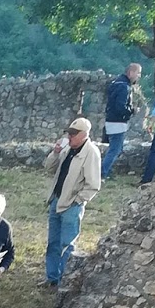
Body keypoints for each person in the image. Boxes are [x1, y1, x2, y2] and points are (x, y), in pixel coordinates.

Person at [44, 117, 102, 285]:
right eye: (69, 133)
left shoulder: (91, 153)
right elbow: (49, 168)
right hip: (56, 200)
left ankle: (64, 281)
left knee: (67, 246)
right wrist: (55, 152)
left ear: (84, 134)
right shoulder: (67, 149)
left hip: (72, 206)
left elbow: (93, 185)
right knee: (53, 242)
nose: (70, 137)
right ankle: (52, 278)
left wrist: (77, 201)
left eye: (74, 134)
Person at [102, 62, 143, 179]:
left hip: (110, 120)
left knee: (113, 148)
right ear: (130, 73)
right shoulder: (124, 87)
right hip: (117, 123)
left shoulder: (116, 83)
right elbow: (120, 107)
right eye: (138, 73)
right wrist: (131, 110)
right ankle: (102, 172)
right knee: (115, 149)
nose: (139, 76)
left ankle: (105, 170)